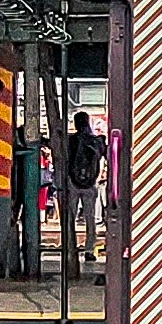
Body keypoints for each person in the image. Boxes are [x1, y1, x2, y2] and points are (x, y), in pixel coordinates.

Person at [60, 111, 104, 274]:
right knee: (90, 219)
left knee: (70, 216)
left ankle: (69, 246)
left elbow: (64, 160)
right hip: (90, 184)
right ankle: (89, 250)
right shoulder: (96, 140)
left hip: (72, 182)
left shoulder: (70, 140)